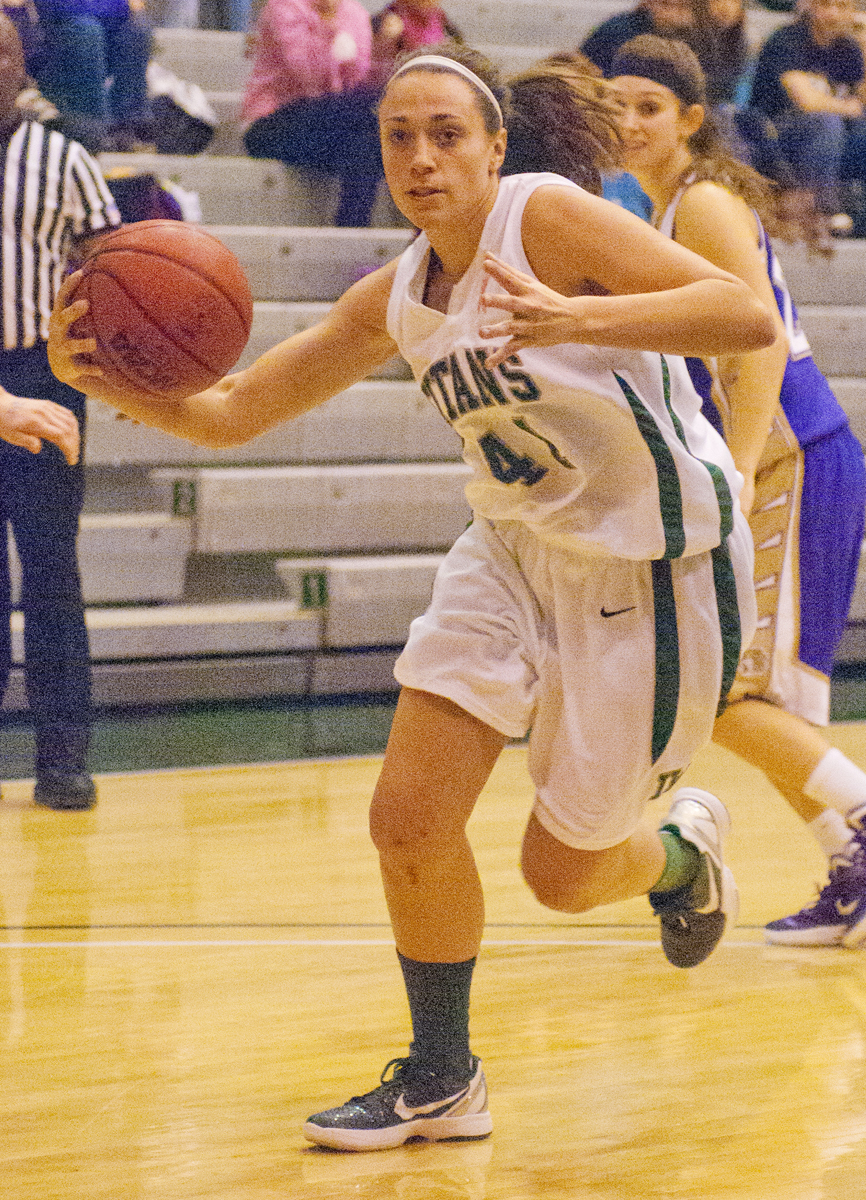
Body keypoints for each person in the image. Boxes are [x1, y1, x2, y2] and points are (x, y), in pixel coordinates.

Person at [50, 43, 774, 1149]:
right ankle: (441, 1078)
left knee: (563, 874)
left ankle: (681, 856)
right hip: (509, 550)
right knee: (406, 821)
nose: (422, 158)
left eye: (446, 134)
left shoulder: (542, 217)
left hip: (648, 561)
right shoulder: (395, 293)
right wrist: (107, 378)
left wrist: (579, 321)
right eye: (400, 136)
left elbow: (740, 315)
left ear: (493, 147)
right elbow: (233, 412)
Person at [611, 34, 866, 947]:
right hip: (787, 457)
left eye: (650, 106)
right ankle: (852, 865)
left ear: (689, 120)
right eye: (619, 105)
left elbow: (753, 348)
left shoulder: (703, 205)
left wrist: (741, 471)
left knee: (728, 697)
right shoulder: (656, 210)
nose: (630, 121)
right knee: (766, 707)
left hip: (792, 454)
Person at [0, 13, 121, 810]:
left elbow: (114, 264)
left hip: (42, 377)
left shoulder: (64, 158)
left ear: (23, 62)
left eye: (1, 49)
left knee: (50, 574)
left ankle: (63, 758)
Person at [242, 0, 382, 227]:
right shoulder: (284, 8)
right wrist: (329, 26)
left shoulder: (356, 14)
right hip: (271, 126)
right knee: (373, 105)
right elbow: (307, 75)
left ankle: (350, 234)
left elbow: (357, 76)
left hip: (329, 126)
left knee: (366, 145)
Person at [749, 0, 866, 228]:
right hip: (774, 133)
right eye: (825, 5)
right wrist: (849, 107)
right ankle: (823, 212)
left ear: (852, 12)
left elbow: (862, 102)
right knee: (827, 123)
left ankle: (858, 217)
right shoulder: (788, 40)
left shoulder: (849, 48)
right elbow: (807, 102)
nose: (832, 14)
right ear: (811, 7)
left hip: (830, 136)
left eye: (842, 7)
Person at [31, 0, 153, 150]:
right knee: (87, 32)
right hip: (52, 32)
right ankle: (96, 130)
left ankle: (128, 127)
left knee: (137, 29)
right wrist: (122, 6)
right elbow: (59, 8)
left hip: (99, 24)